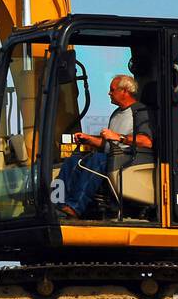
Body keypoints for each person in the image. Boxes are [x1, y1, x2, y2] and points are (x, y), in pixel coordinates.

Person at [56, 74, 153, 219]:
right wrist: (89, 139)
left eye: (112, 90)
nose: (109, 93)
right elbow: (108, 144)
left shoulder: (140, 112)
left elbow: (147, 141)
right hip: (112, 156)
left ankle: (74, 207)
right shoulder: (116, 114)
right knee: (72, 161)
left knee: (97, 159)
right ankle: (57, 204)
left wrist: (119, 137)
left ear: (125, 91)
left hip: (128, 160)